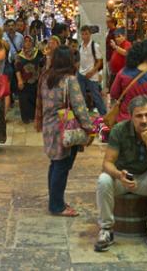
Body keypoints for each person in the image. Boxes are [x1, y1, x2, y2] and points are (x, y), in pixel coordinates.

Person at [95, 95, 147, 253]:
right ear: (131, 117)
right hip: (122, 177)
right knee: (103, 180)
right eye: (139, 116)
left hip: (145, 178)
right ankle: (106, 229)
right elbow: (107, 163)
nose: (144, 120)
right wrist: (118, 175)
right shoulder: (119, 130)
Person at [39, 46, 93, 217]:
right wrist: (89, 128)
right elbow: (79, 106)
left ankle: (56, 200)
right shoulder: (70, 80)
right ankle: (57, 205)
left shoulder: (45, 77)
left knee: (55, 163)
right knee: (62, 166)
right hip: (65, 127)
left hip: (49, 125)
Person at [77, 26, 106, 115]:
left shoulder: (95, 46)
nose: (84, 36)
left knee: (96, 96)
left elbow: (99, 61)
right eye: (82, 34)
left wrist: (92, 72)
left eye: (86, 34)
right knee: (81, 96)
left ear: (90, 34)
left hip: (92, 75)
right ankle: (83, 115)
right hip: (81, 74)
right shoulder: (80, 46)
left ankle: (104, 115)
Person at [15, 35, 43, 124]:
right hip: (24, 80)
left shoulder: (38, 53)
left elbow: (42, 65)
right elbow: (17, 68)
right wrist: (19, 80)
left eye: (29, 41)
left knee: (35, 98)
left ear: (32, 42)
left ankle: (34, 116)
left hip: (36, 80)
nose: (27, 43)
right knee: (24, 99)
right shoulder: (19, 54)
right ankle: (26, 118)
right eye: (25, 41)